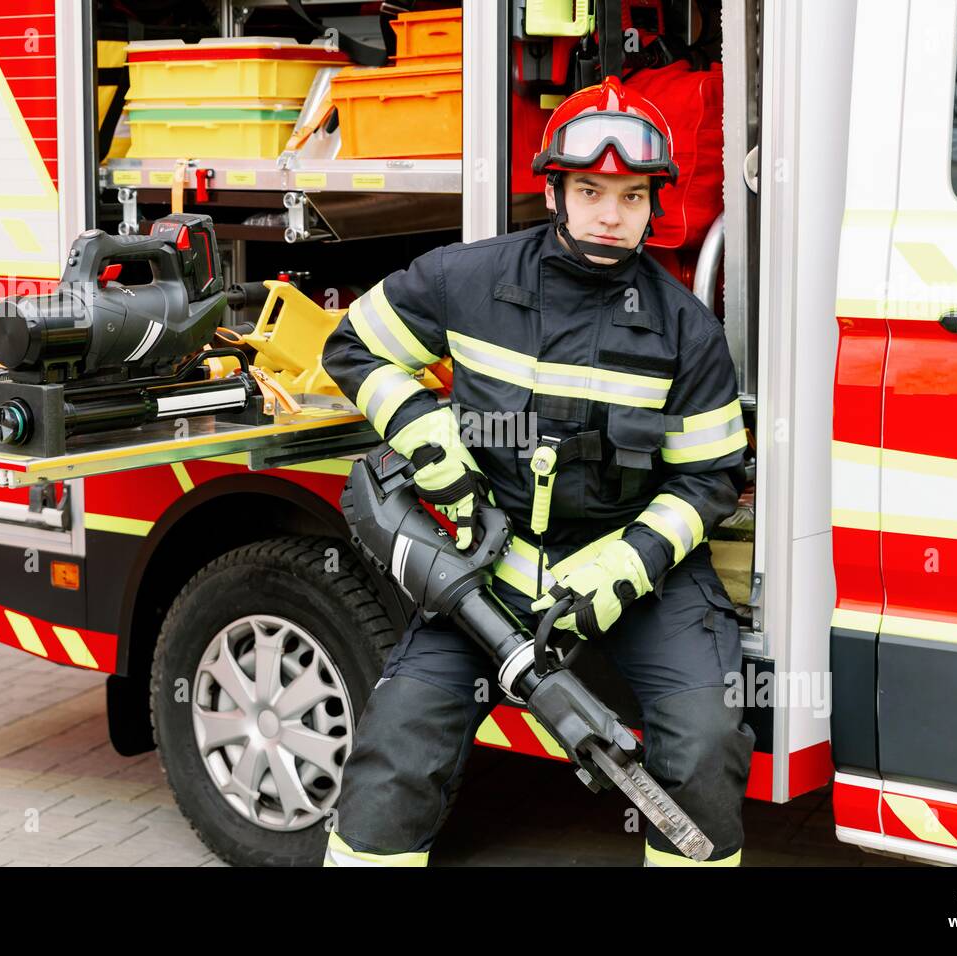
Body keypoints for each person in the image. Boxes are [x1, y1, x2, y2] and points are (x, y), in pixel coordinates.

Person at [319, 76, 755, 867]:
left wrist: (629, 562)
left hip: (635, 569)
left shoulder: (687, 330)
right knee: (397, 751)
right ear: (554, 189)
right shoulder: (465, 278)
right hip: (483, 564)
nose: (610, 214)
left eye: (631, 195)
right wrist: (422, 429)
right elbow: (352, 345)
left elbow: (709, 479)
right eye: (589, 190)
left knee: (706, 738)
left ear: (657, 203)